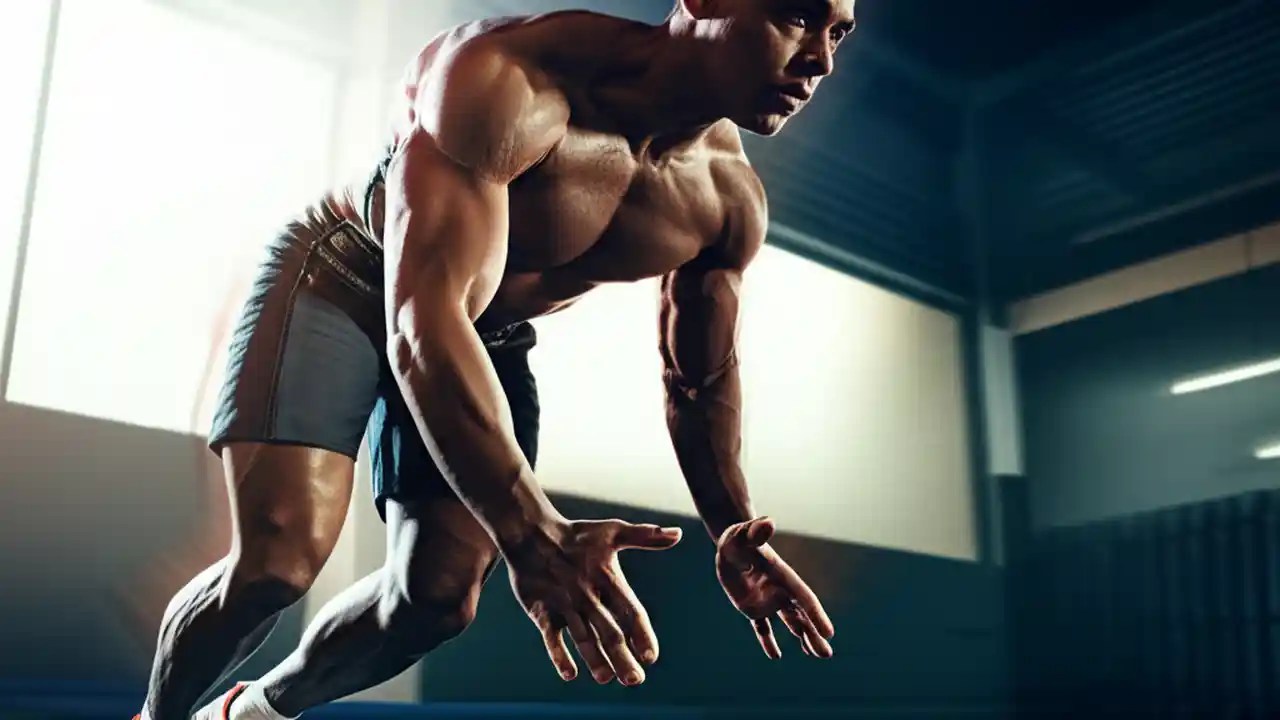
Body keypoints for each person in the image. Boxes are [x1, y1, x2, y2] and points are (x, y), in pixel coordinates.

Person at [136, 0, 855, 717]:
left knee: (438, 600)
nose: (821, 59)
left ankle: (246, 714)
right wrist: (533, 532)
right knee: (278, 561)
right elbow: (423, 320)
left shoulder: (725, 202)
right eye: (796, 15)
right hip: (348, 279)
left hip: (488, 334)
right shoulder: (509, 80)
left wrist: (733, 525)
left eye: (838, 34)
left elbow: (696, 381)